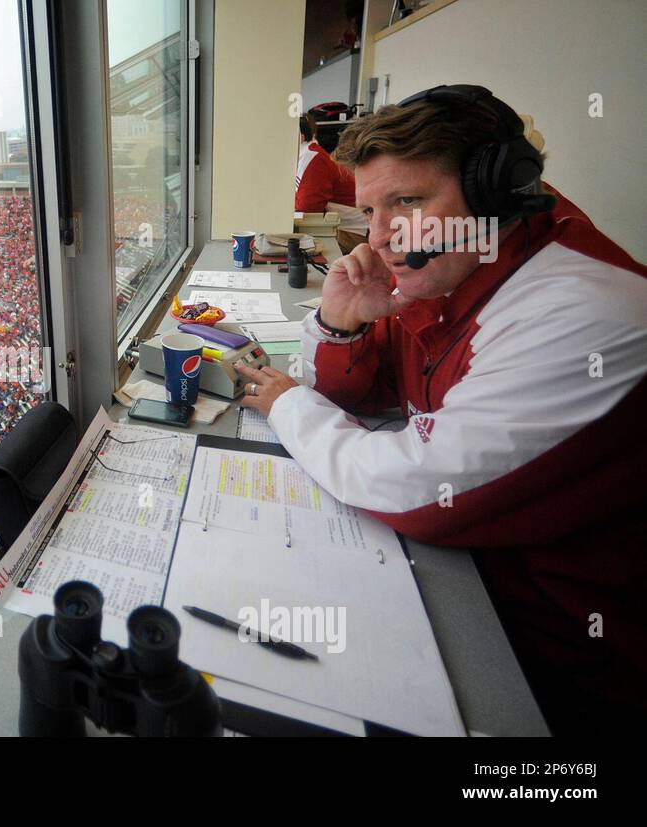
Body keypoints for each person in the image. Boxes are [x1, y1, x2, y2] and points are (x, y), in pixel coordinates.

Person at [237, 85, 647, 735]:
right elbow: (361, 393)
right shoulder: (455, 263)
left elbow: (414, 485)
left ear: (497, 189)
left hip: (573, 681)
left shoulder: (582, 309)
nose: (381, 238)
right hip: (479, 594)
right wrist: (338, 324)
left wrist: (290, 407)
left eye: (407, 201)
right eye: (371, 211)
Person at [296, 113, 366, 254]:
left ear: (301, 137)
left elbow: (308, 208)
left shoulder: (312, 158)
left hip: (352, 232)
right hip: (342, 226)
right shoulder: (308, 154)